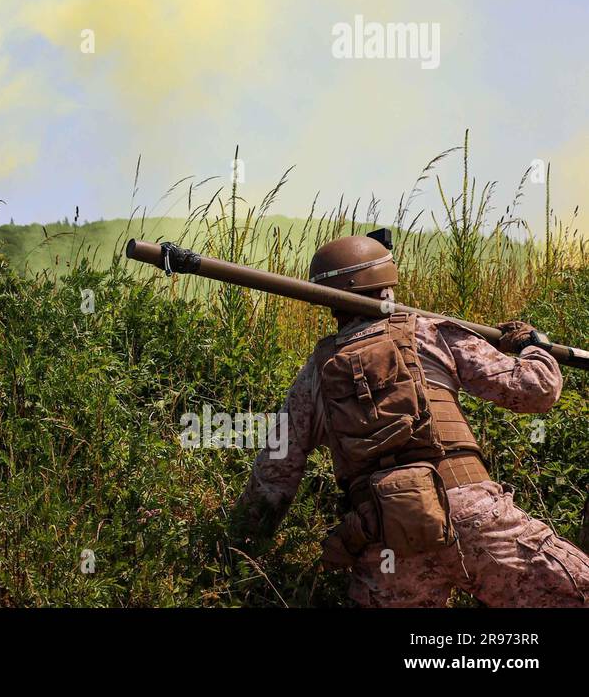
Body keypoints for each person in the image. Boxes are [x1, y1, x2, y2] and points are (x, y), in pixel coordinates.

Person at [231, 230, 589, 606]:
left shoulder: (314, 376)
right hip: (473, 518)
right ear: (387, 286)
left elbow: (274, 477)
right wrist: (535, 347)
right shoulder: (430, 334)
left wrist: (238, 553)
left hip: (386, 540)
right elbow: (534, 391)